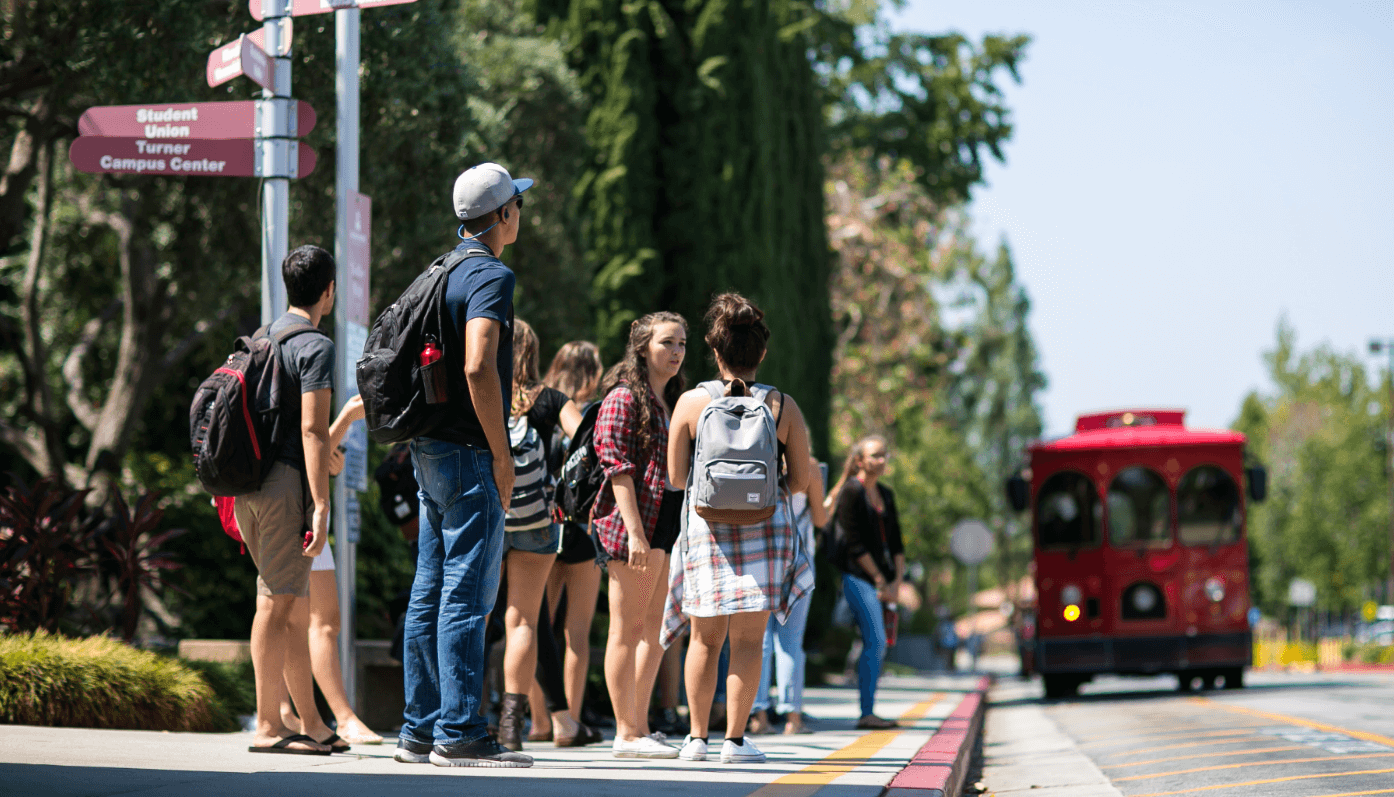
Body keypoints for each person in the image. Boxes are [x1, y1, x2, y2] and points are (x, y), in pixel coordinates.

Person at [394, 162, 534, 768]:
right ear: (501, 215)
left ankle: (417, 732)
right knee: (467, 595)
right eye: (517, 206)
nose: (520, 215)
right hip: (470, 453)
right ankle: (460, 732)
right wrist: (501, 455)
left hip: (427, 448)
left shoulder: (439, 268)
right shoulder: (490, 275)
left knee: (428, 590)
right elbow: (480, 365)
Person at [663, 293, 814, 765]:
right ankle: (734, 742)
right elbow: (802, 479)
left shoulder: (691, 402)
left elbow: (674, 478)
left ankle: (696, 738)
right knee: (749, 641)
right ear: (761, 353)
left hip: (706, 531)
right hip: (764, 531)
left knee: (704, 640)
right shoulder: (781, 405)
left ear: (714, 350)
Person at [236, 244, 337, 755]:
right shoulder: (315, 346)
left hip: (245, 488)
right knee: (276, 607)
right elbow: (313, 430)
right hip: (282, 488)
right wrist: (321, 505)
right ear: (329, 291)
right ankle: (267, 726)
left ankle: (312, 725)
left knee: (291, 607)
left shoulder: (261, 337)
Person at [591, 311, 688, 758]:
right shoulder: (625, 397)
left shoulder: (674, 398)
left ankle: (640, 724)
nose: (676, 351)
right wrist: (634, 535)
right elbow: (617, 470)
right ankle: (625, 732)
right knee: (626, 629)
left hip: (665, 520)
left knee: (653, 628)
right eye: (667, 342)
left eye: (682, 344)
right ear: (643, 347)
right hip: (633, 523)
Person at [496, 319, 586, 750]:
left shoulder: (481, 393)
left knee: (473, 618)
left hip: (489, 519)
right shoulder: (550, 400)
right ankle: (511, 726)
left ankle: (464, 716)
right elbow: (588, 440)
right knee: (524, 621)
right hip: (536, 520)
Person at [277, 394, 384, 748]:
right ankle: (342, 718)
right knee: (321, 621)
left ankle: (285, 714)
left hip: (284, 514)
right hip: (300, 516)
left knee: (286, 616)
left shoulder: (274, 364)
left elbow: (314, 455)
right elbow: (309, 448)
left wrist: (330, 448)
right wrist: (347, 419)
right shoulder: (305, 359)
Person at [538, 341, 606, 739]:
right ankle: (571, 721)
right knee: (576, 631)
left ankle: (540, 719)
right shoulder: (591, 415)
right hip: (581, 527)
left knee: (534, 623)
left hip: (543, 523)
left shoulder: (540, 406)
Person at [825, 435, 905, 730]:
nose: (881, 461)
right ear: (860, 460)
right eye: (875, 456)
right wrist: (881, 580)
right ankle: (867, 712)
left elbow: (897, 542)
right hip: (858, 577)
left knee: (876, 641)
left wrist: (896, 580)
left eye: (884, 455)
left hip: (884, 580)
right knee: (876, 639)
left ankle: (868, 710)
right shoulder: (851, 492)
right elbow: (855, 545)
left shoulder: (885, 494)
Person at [749, 454, 828, 736]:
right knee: (790, 641)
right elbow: (820, 518)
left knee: (759, 639)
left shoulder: (755, 458)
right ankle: (793, 719)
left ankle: (758, 716)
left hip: (761, 555)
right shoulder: (809, 466)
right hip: (798, 559)